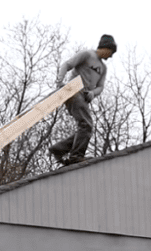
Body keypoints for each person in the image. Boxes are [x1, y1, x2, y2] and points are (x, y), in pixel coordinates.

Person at [49, 34, 117, 166]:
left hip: (84, 96)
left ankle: (59, 149)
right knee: (86, 125)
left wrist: (92, 93)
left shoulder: (103, 68)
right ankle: (76, 156)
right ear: (105, 48)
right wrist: (60, 82)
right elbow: (67, 64)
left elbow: (101, 87)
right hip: (73, 90)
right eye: (110, 52)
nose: (110, 56)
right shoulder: (87, 54)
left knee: (85, 127)